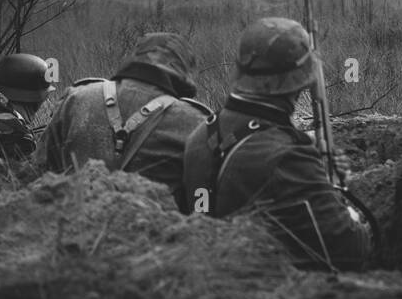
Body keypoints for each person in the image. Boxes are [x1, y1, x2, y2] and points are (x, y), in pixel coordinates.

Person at [182, 17, 371, 271]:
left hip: (211, 277)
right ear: (302, 82)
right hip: (274, 293)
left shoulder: (199, 135)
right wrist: (335, 189)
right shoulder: (287, 157)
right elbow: (350, 250)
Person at [40, 33, 212, 207]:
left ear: (133, 60)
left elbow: (40, 170)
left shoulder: (76, 99)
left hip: (69, 224)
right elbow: (203, 205)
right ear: (184, 72)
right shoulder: (196, 121)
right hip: (153, 230)